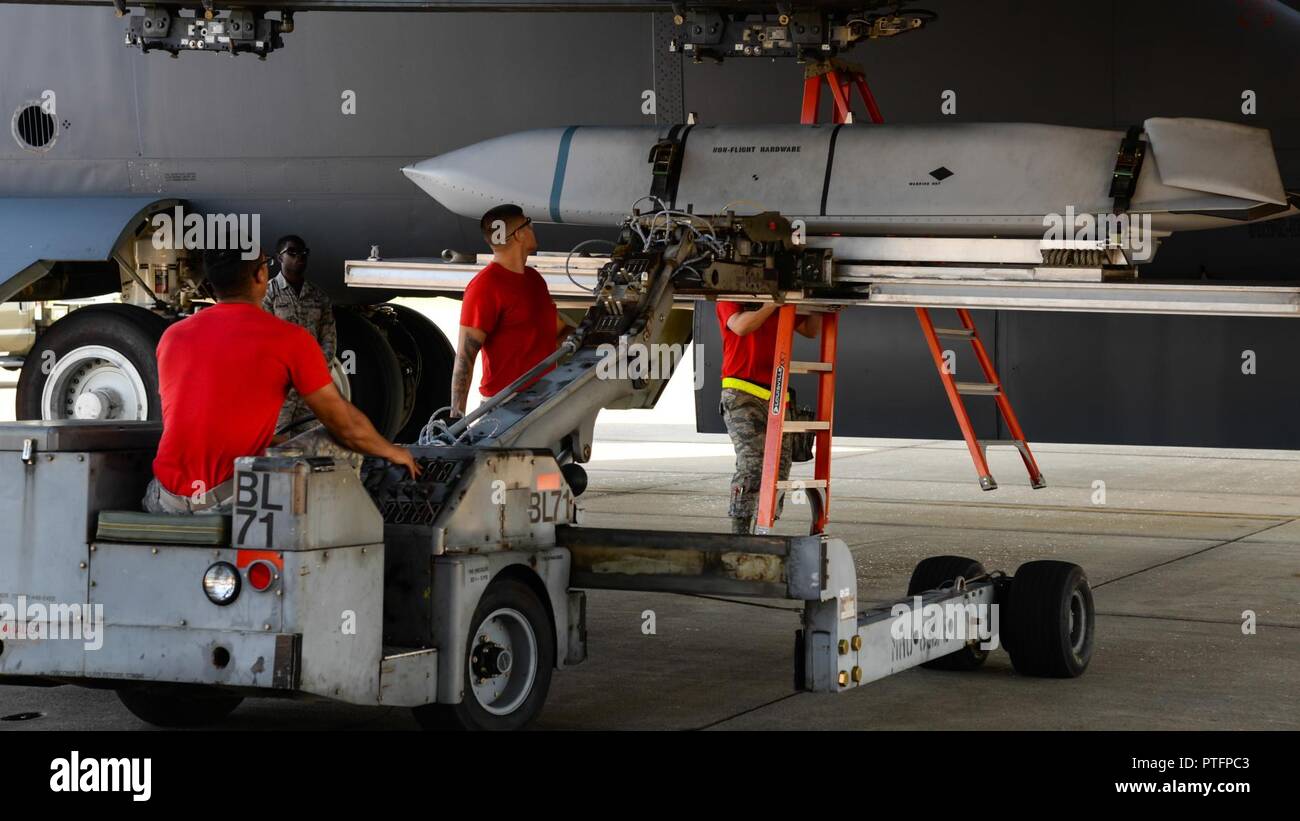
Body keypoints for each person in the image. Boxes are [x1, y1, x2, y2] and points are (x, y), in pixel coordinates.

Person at [144, 247, 418, 515]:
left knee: (281, 443)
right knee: (335, 441)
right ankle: (340, 530)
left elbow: (203, 420)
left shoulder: (173, 336)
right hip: (230, 500)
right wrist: (392, 451)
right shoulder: (289, 339)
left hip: (165, 501)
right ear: (260, 275)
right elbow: (346, 427)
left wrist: (273, 440)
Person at [450, 204, 568, 418]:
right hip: (505, 407)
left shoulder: (534, 280)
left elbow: (557, 330)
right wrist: (456, 417)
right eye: (528, 224)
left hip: (545, 401)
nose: (532, 229)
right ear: (519, 235)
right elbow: (465, 358)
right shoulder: (484, 286)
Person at [717, 301, 822, 534]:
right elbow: (741, 327)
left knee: (780, 469)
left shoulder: (783, 304)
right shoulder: (731, 296)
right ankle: (740, 534)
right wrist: (772, 305)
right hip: (742, 392)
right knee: (752, 466)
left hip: (777, 394)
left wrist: (817, 305)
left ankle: (764, 530)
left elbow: (810, 330)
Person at [262, 234, 337, 438]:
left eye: (304, 253)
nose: (299, 258)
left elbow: (329, 339)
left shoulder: (318, 296)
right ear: (280, 257)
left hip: (310, 388)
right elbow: (263, 341)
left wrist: (317, 374)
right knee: (277, 440)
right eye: (292, 253)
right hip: (281, 390)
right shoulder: (268, 294)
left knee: (309, 441)